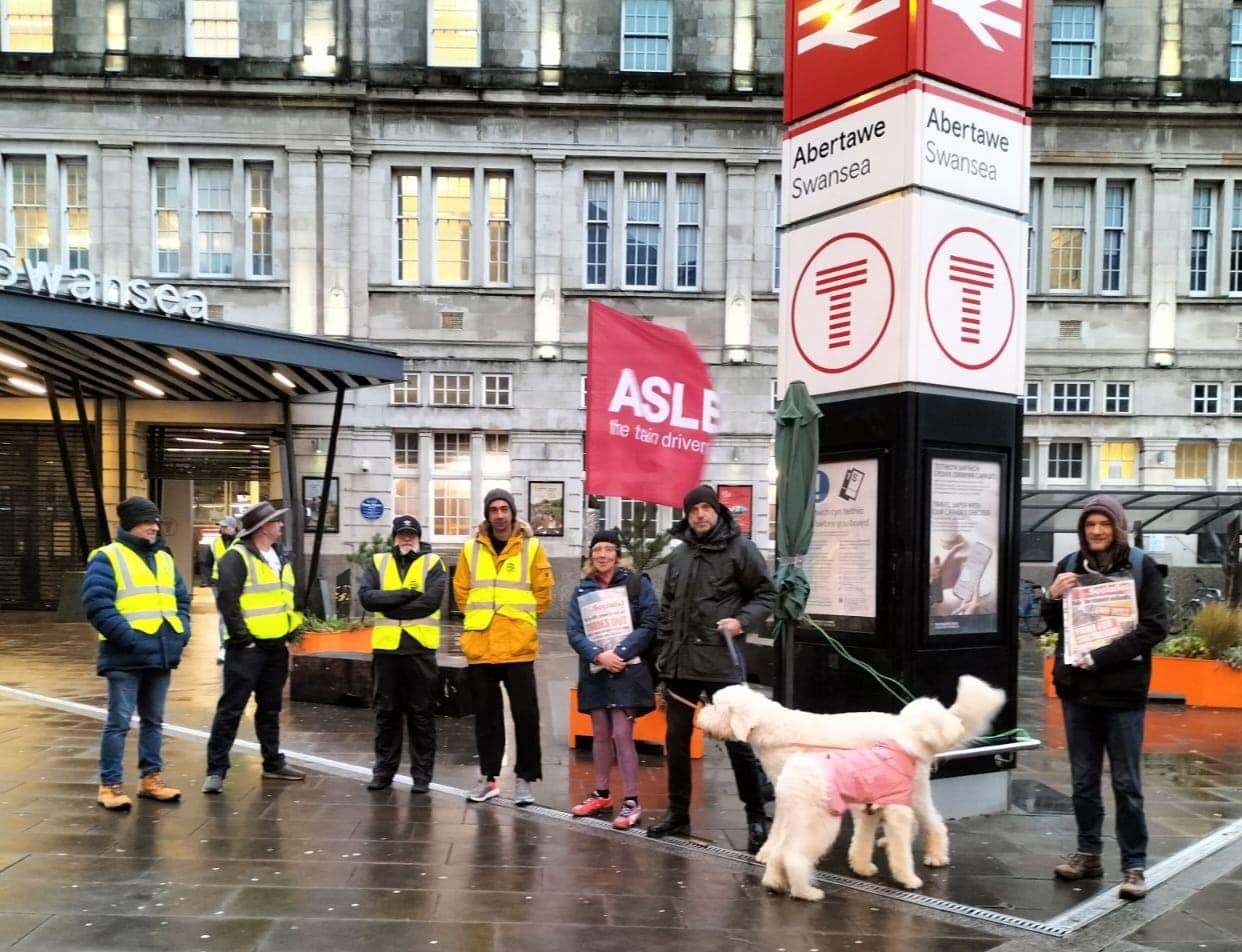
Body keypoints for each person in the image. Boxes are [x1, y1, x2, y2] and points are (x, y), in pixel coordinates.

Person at [1041, 494, 1168, 901]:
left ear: (1117, 527)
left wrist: (1101, 656)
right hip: (1077, 691)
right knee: (1082, 781)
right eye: (1089, 524)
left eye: (1104, 524)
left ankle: (1134, 865)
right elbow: (1051, 624)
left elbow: (1154, 628)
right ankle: (1088, 853)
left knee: (1127, 783)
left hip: (1122, 692)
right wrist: (1052, 596)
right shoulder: (1068, 566)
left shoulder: (1140, 566)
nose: (1096, 531)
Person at [647, 484, 776, 853]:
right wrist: (664, 649)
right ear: (687, 516)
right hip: (680, 663)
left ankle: (755, 816)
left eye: (705, 508)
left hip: (720, 662)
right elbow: (669, 604)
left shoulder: (741, 549)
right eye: (693, 510)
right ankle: (677, 812)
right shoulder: (681, 554)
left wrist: (741, 621)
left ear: (717, 511)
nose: (700, 515)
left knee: (738, 743)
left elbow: (766, 595)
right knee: (675, 741)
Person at [82, 496, 190, 810]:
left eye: (156, 521)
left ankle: (151, 779)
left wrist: (181, 631)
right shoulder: (107, 557)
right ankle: (110, 785)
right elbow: (96, 604)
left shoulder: (164, 558)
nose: (154, 527)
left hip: (161, 653)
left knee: (154, 721)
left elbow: (181, 600)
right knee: (118, 722)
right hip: (125, 655)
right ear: (130, 524)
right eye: (147, 521)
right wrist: (128, 638)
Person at [453, 488, 554, 805]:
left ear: (512, 512)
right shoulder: (470, 549)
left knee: (525, 715)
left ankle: (525, 779)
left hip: (517, 646)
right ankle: (489, 777)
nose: (499, 515)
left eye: (504, 509)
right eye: (493, 510)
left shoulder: (532, 547)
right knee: (486, 717)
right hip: (481, 645)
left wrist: (519, 622)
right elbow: (461, 592)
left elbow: (543, 595)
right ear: (487, 514)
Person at [202, 501, 306, 793]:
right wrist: (243, 639)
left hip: (275, 646)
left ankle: (273, 762)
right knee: (231, 709)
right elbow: (228, 601)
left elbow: (290, 598)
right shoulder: (237, 558)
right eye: (276, 522)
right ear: (262, 528)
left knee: (270, 708)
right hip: (247, 649)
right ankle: (216, 769)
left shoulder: (280, 557)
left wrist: (290, 632)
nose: (281, 526)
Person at [565, 529, 659, 830]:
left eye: (608, 549)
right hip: (596, 670)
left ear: (617, 555)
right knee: (600, 732)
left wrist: (619, 652)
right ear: (591, 556)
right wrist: (598, 655)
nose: (602, 555)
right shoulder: (582, 590)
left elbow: (650, 622)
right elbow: (574, 631)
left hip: (626, 669)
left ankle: (631, 800)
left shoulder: (635, 584)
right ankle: (602, 793)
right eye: (597, 550)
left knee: (621, 731)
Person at [357, 515, 446, 794]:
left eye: (411, 534)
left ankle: (422, 777)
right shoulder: (378, 561)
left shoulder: (433, 563)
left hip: (419, 648)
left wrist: (390, 606)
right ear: (394, 537)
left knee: (422, 715)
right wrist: (406, 594)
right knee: (386, 713)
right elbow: (367, 598)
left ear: (419, 537)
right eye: (402, 534)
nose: (406, 539)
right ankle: (384, 771)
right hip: (387, 650)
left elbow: (429, 603)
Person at [206, 515, 240, 663]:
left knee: (236, 613)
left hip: (235, 584)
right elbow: (207, 562)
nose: (222, 529)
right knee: (223, 616)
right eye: (221, 526)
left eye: (225, 527)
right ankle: (224, 647)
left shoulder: (240, 543)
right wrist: (208, 578)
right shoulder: (215, 543)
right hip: (218, 583)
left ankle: (235, 644)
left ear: (234, 528)